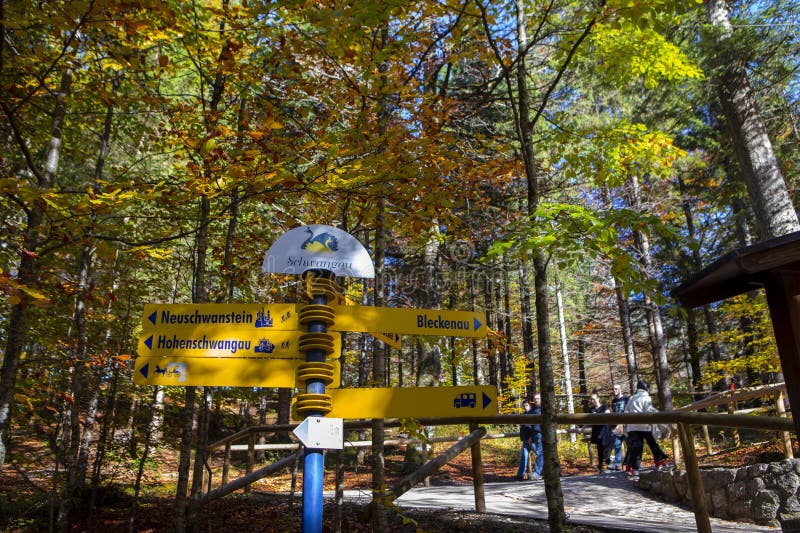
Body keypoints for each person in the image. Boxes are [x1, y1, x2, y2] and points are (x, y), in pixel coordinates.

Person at [622, 380, 669, 479]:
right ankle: (659, 463)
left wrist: (625, 426)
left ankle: (632, 469)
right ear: (646, 388)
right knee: (653, 444)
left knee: (634, 448)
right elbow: (648, 411)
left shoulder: (632, 398)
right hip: (644, 426)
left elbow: (626, 412)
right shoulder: (646, 397)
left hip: (632, 427)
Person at [517, 394, 543, 481]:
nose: (536, 400)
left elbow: (533, 426)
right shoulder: (529, 413)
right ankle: (520, 475)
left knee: (540, 454)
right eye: (535, 399)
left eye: (527, 405)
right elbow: (525, 428)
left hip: (535, 437)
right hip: (528, 438)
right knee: (524, 456)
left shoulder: (537, 411)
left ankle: (538, 473)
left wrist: (531, 437)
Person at [588, 392, 613, 474]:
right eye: (591, 399)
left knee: (607, 450)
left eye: (594, 399)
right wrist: (583, 427)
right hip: (597, 432)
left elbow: (607, 415)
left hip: (605, 431)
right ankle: (601, 466)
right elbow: (588, 420)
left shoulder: (604, 407)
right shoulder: (591, 409)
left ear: (598, 399)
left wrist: (597, 415)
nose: (592, 401)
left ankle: (609, 465)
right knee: (600, 450)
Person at [608, 384, 629, 471]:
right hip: (617, 427)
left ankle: (632, 462)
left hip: (626, 426)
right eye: (613, 389)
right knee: (617, 445)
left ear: (620, 389)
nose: (614, 390)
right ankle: (617, 464)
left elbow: (629, 410)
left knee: (630, 444)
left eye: (616, 389)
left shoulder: (626, 399)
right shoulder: (613, 401)